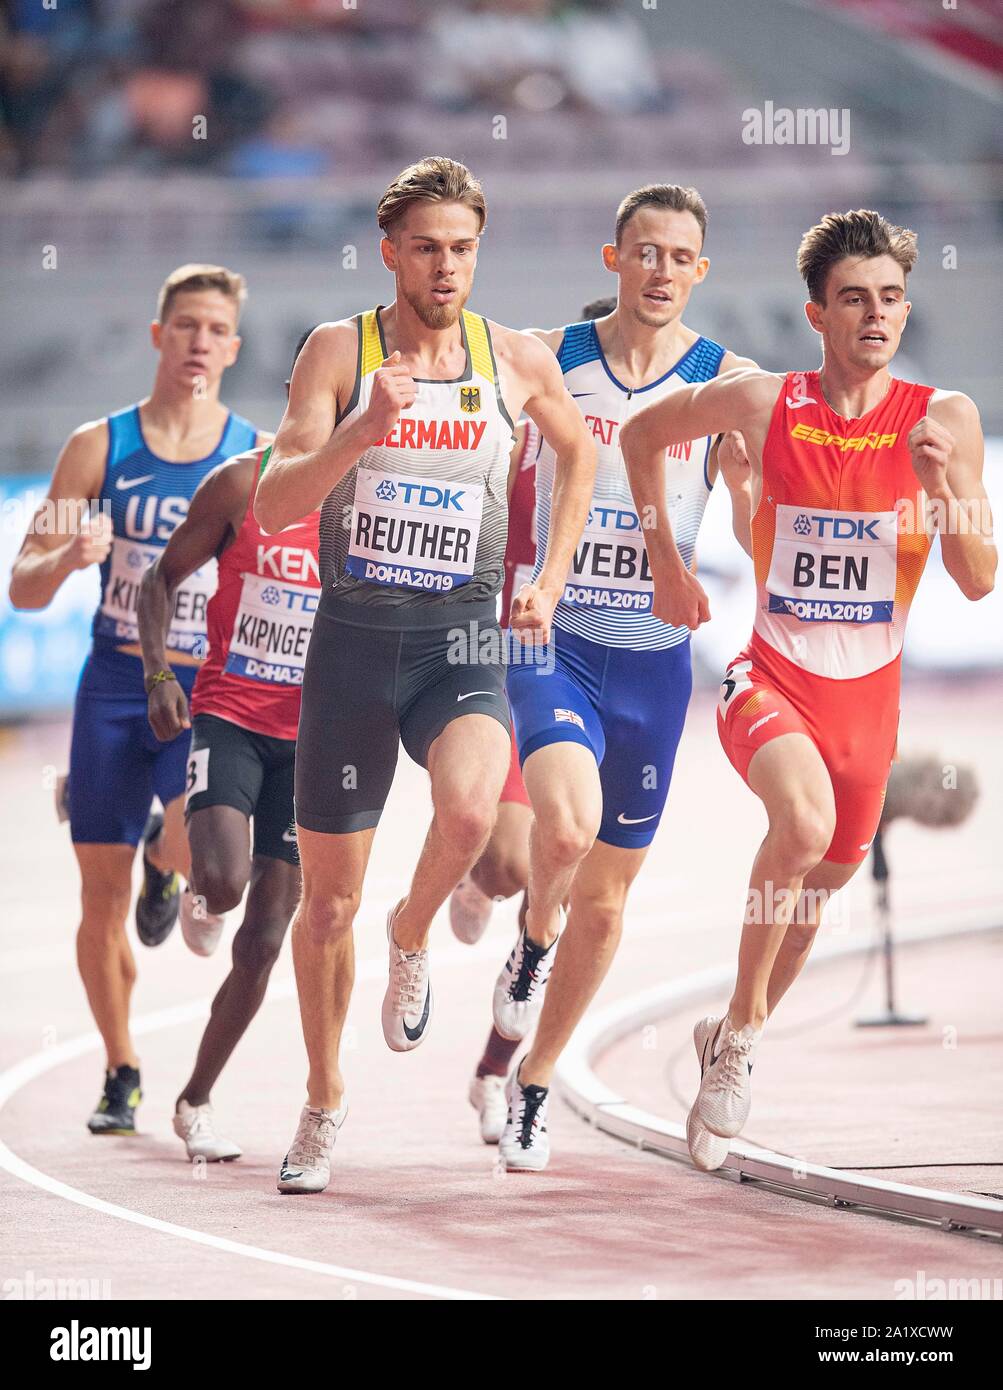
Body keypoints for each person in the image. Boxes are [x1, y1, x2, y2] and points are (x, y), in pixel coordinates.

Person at [620, 209, 996, 1169]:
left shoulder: (941, 417)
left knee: (819, 883)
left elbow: (978, 575)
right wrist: (667, 554)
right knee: (795, 829)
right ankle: (740, 1044)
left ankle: (724, 1033)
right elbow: (640, 434)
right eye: (853, 301)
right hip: (768, 678)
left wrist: (947, 486)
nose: (874, 316)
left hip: (867, 705)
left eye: (890, 300)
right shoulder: (758, 402)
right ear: (816, 315)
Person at [252, 156, 597, 1194]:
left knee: (467, 816)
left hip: (466, 636)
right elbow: (272, 505)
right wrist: (361, 430)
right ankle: (322, 1101)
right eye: (427, 248)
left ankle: (413, 933)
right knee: (323, 906)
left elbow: (576, 455)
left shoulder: (514, 357)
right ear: (389, 250)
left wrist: (550, 575)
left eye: (463, 247)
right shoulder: (337, 350)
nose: (447, 267)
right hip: (353, 641)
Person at [497, 186, 756, 1171]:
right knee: (560, 826)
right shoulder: (542, 353)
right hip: (547, 634)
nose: (659, 270)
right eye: (643, 251)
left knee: (606, 902)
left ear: (699, 272)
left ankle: (533, 1084)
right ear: (614, 259)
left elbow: (757, 486)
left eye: (678, 255)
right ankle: (530, 932)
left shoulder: (725, 379)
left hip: (653, 662)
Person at [8, 264, 263, 1136]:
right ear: (159, 336)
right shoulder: (100, 446)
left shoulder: (250, 458)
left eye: (214, 329)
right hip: (115, 682)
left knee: (209, 858)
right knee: (97, 898)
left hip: (204, 688)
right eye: (184, 325)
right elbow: (24, 591)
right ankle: (121, 1067)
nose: (197, 341)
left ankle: (168, 855)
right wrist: (68, 557)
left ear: (232, 347)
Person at [137, 332, 319, 1161]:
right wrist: (156, 677)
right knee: (223, 882)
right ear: (290, 391)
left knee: (267, 937)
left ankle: (195, 1099)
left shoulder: (365, 504)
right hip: (230, 717)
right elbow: (158, 580)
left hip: (314, 742)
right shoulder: (240, 482)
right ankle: (169, 851)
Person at [455, 296, 618, 1146]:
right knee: (517, 861)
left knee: (555, 881)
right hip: (509, 647)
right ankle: (468, 870)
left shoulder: (637, 452)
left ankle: (496, 1071)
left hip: (602, 664)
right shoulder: (515, 417)